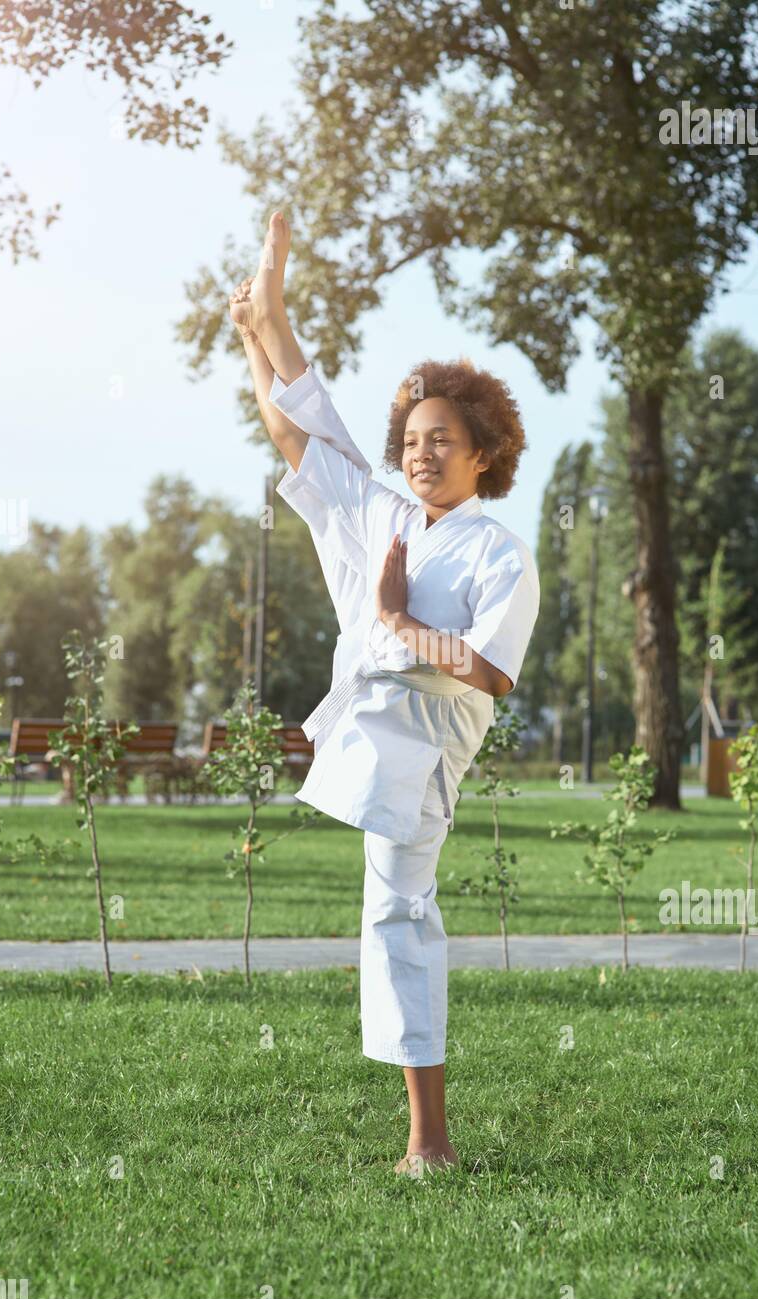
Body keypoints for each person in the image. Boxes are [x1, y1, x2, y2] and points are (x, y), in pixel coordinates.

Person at [229, 211, 540, 1177]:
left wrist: (402, 625)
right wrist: (259, 330)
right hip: (367, 730)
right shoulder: (391, 514)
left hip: (424, 748)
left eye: (439, 439)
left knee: (399, 917)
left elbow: (490, 673)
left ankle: (429, 1142)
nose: (417, 452)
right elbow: (296, 430)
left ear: (483, 453)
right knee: (386, 915)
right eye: (410, 438)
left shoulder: (499, 550)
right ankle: (426, 1141)